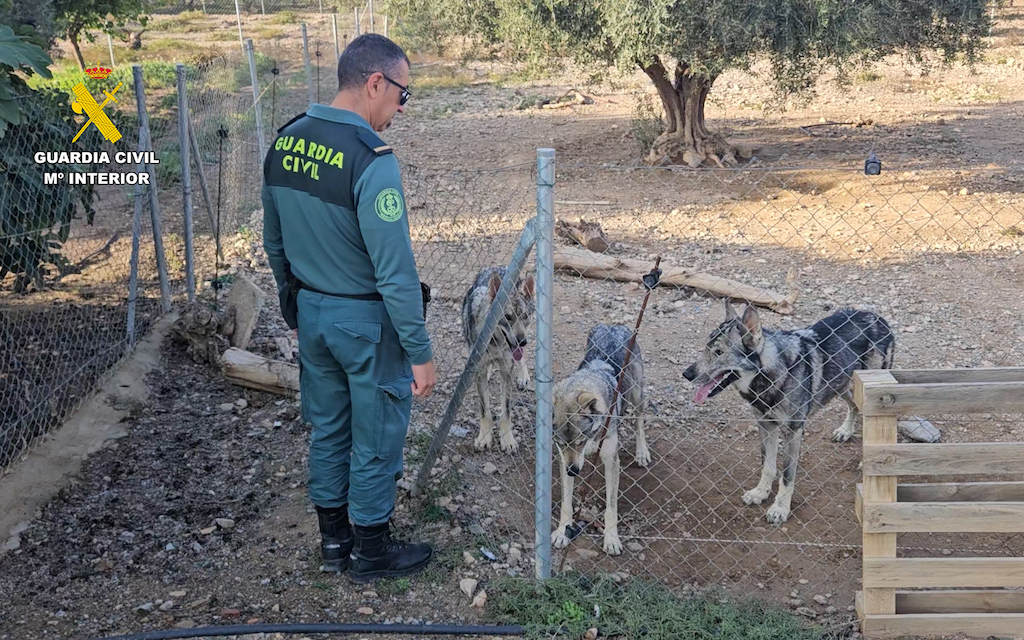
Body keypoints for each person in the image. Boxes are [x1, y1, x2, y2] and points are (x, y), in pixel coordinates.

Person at [261, 33, 437, 584]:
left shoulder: (285, 142)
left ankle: (333, 543)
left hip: (311, 316)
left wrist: (297, 310)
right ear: (375, 83)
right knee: (377, 434)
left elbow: (275, 246)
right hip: (365, 324)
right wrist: (420, 352)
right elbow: (395, 274)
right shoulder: (372, 161)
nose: (401, 112)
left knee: (329, 429)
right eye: (402, 96)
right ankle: (371, 552)